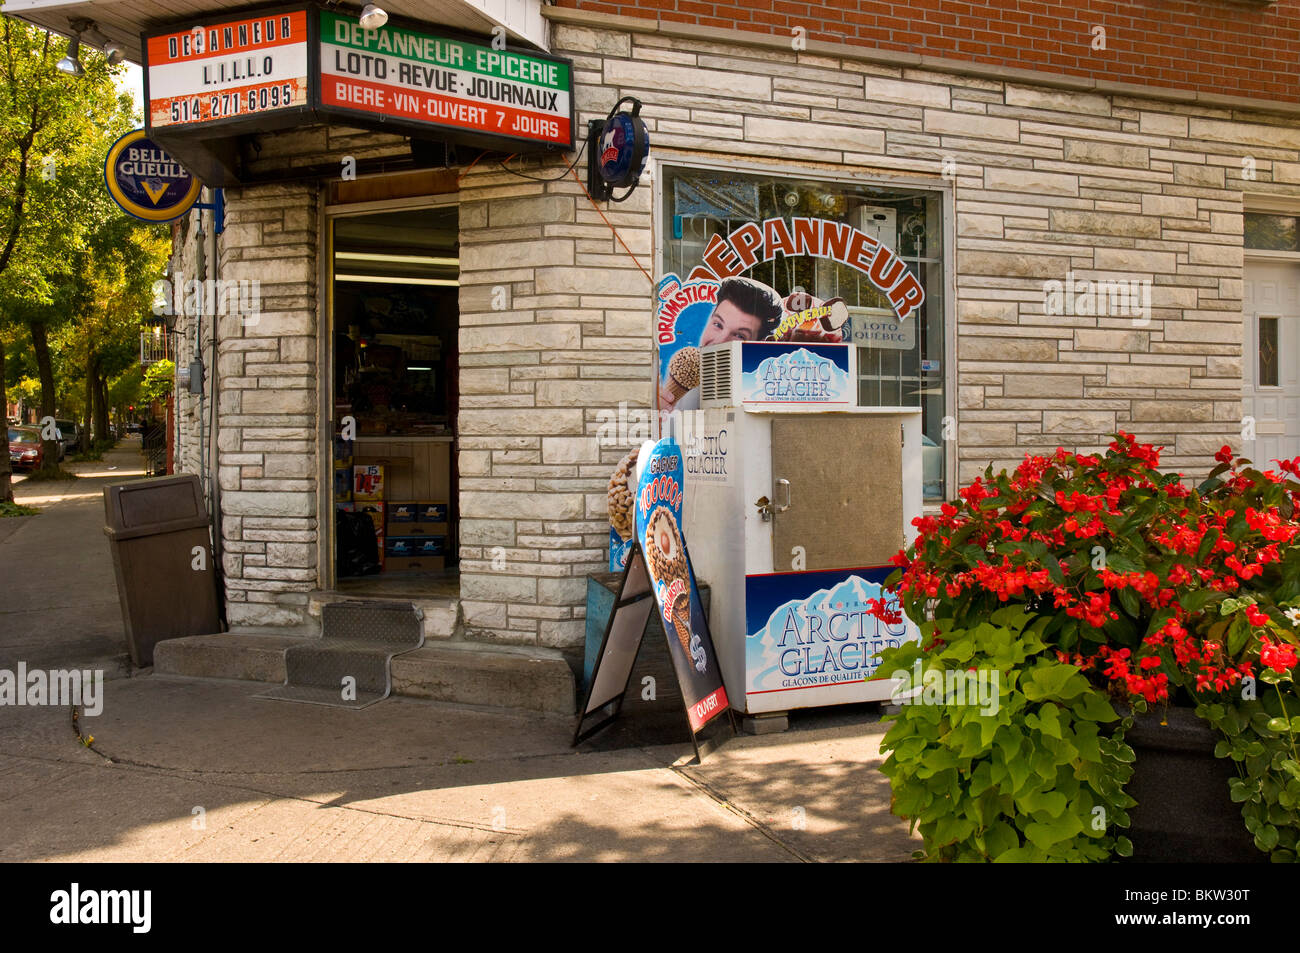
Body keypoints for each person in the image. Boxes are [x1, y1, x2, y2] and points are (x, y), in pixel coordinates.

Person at [660, 276, 784, 411]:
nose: (720, 341)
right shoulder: (671, 377)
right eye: (718, 324)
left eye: (739, 335)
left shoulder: (758, 392)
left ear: (757, 345)